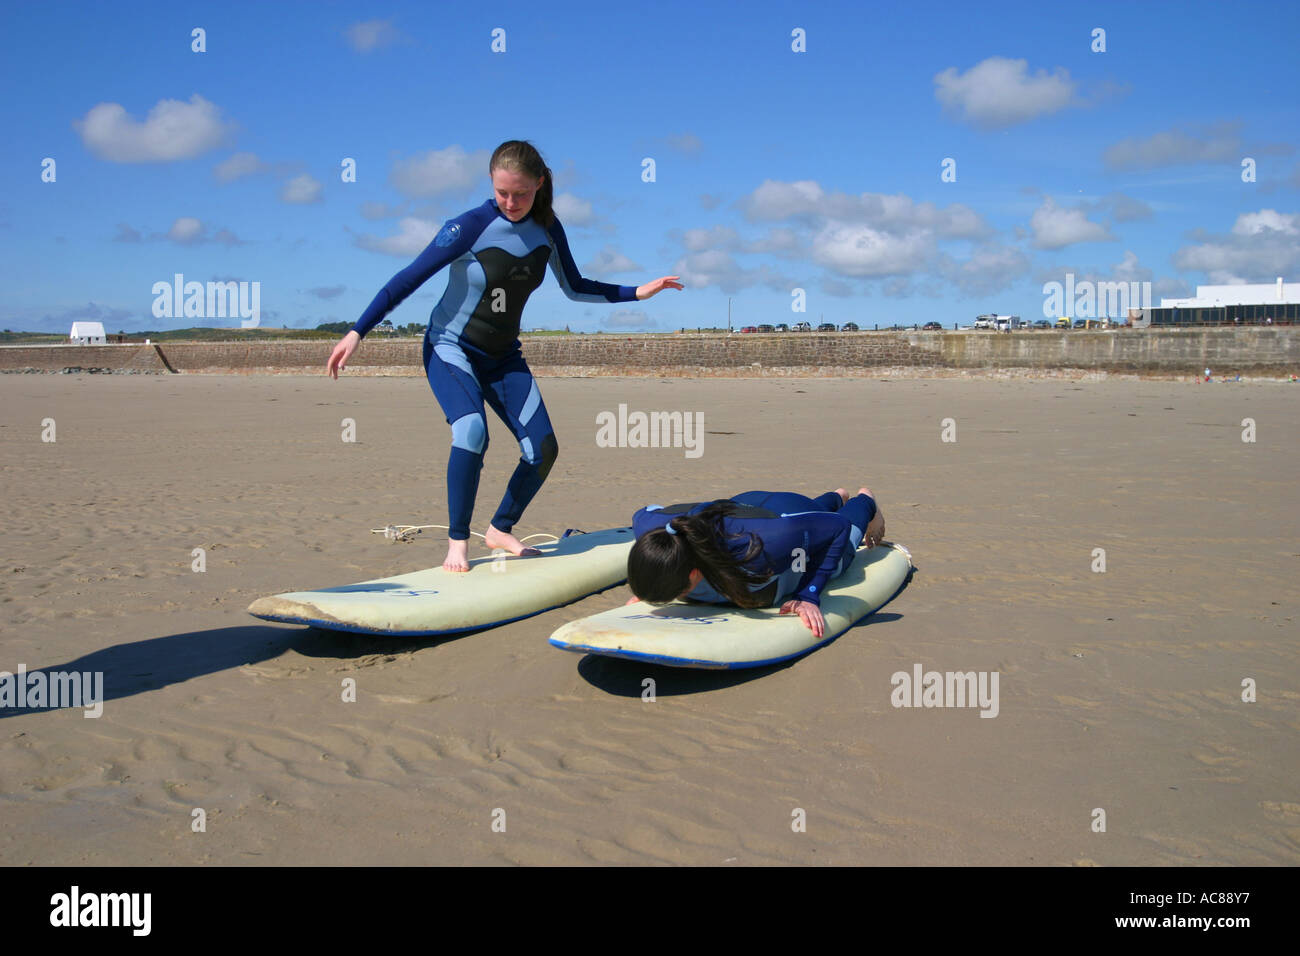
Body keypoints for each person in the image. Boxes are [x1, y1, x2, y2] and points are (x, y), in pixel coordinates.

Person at [327, 140, 681, 571]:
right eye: (502, 193)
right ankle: (458, 541)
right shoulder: (468, 227)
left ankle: (499, 529)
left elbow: (574, 286)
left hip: (503, 357)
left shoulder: (548, 229)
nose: (511, 203)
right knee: (472, 431)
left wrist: (637, 292)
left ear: (540, 184)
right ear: (491, 184)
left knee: (543, 449)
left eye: (521, 193)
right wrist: (356, 331)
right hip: (451, 347)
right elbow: (407, 279)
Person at [625, 489, 886, 638]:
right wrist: (650, 580)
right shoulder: (648, 527)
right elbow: (647, 509)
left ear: (694, 574)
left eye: (678, 592)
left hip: (775, 521)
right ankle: (835, 496)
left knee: (841, 553)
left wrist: (809, 595)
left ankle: (863, 499)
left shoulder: (759, 548)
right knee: (805, 519)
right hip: (754, 507)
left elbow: (836, 527)